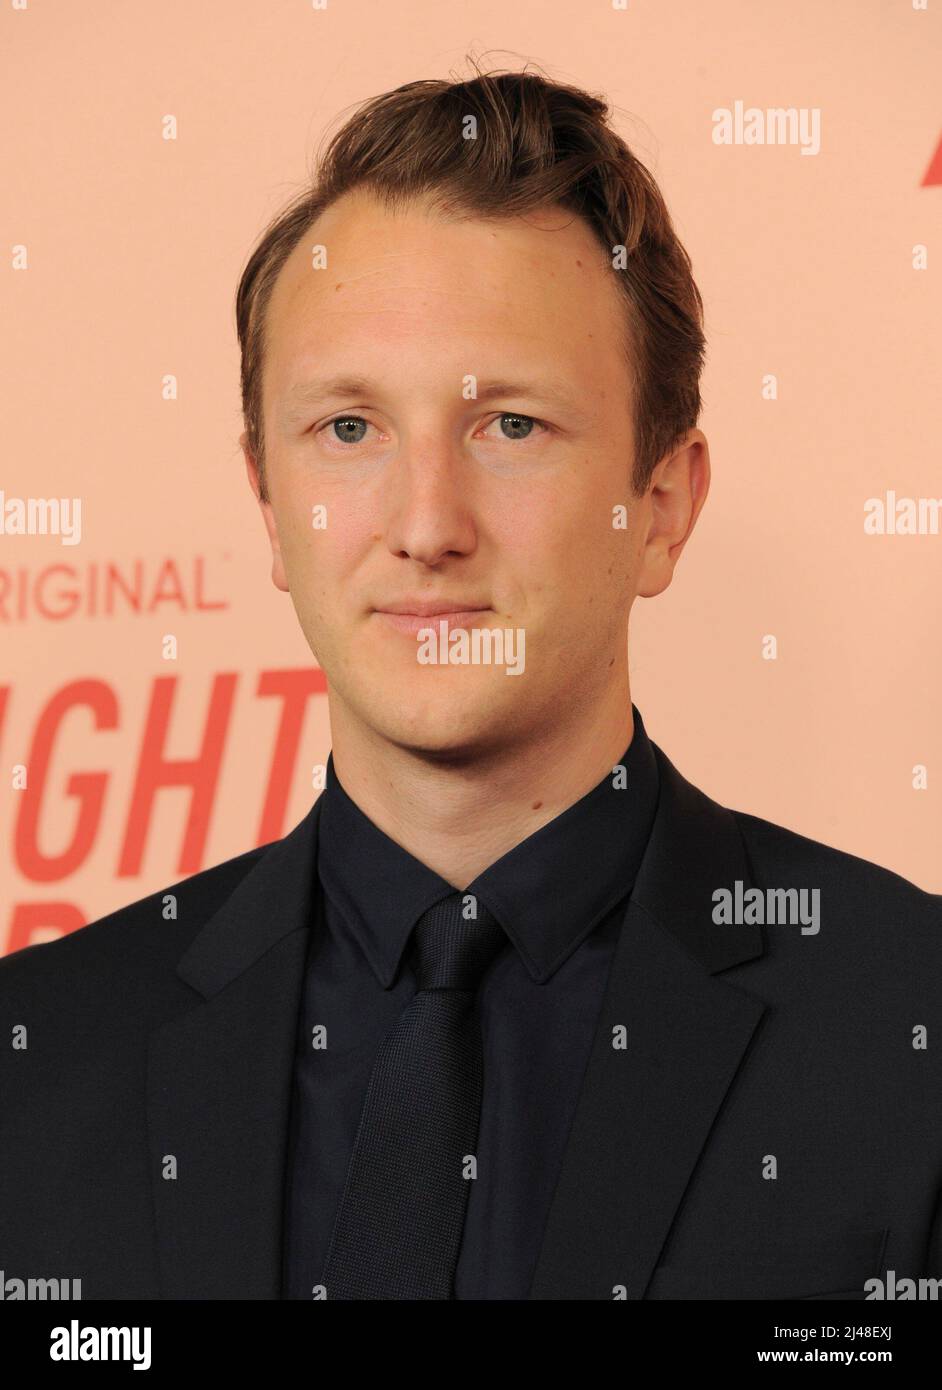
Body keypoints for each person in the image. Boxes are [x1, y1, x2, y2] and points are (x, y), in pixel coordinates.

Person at [1, 62, 939, 1302]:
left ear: (661, 506)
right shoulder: (40, 1057)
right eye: (349, 428)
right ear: (269, 510)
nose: (427, 524)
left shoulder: (906, 1029)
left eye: (511, 427)